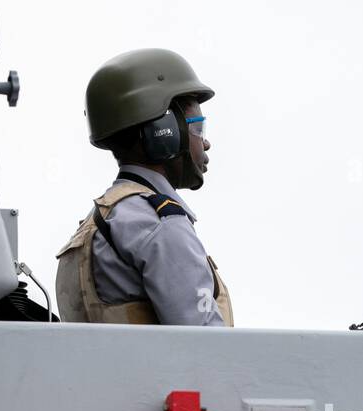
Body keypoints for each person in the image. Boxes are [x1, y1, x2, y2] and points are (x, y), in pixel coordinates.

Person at [56, 49, 232, 326]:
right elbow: (204, 348)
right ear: (164, 131)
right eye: (198, 129)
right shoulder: (160, 223)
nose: (205, 143)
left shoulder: (100, 221)